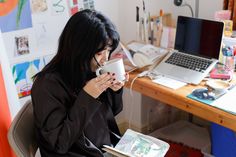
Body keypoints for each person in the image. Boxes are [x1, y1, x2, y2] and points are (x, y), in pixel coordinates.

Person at [31, 9, 128, 157]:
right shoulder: (47, 86)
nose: (105, 59)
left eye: (108, 50)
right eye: (99, 53)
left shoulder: (89, 71)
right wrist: (87, 97)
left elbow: (112, 113)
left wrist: (115, 90)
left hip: (104, 148)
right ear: (79, 50)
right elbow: (60, 144)